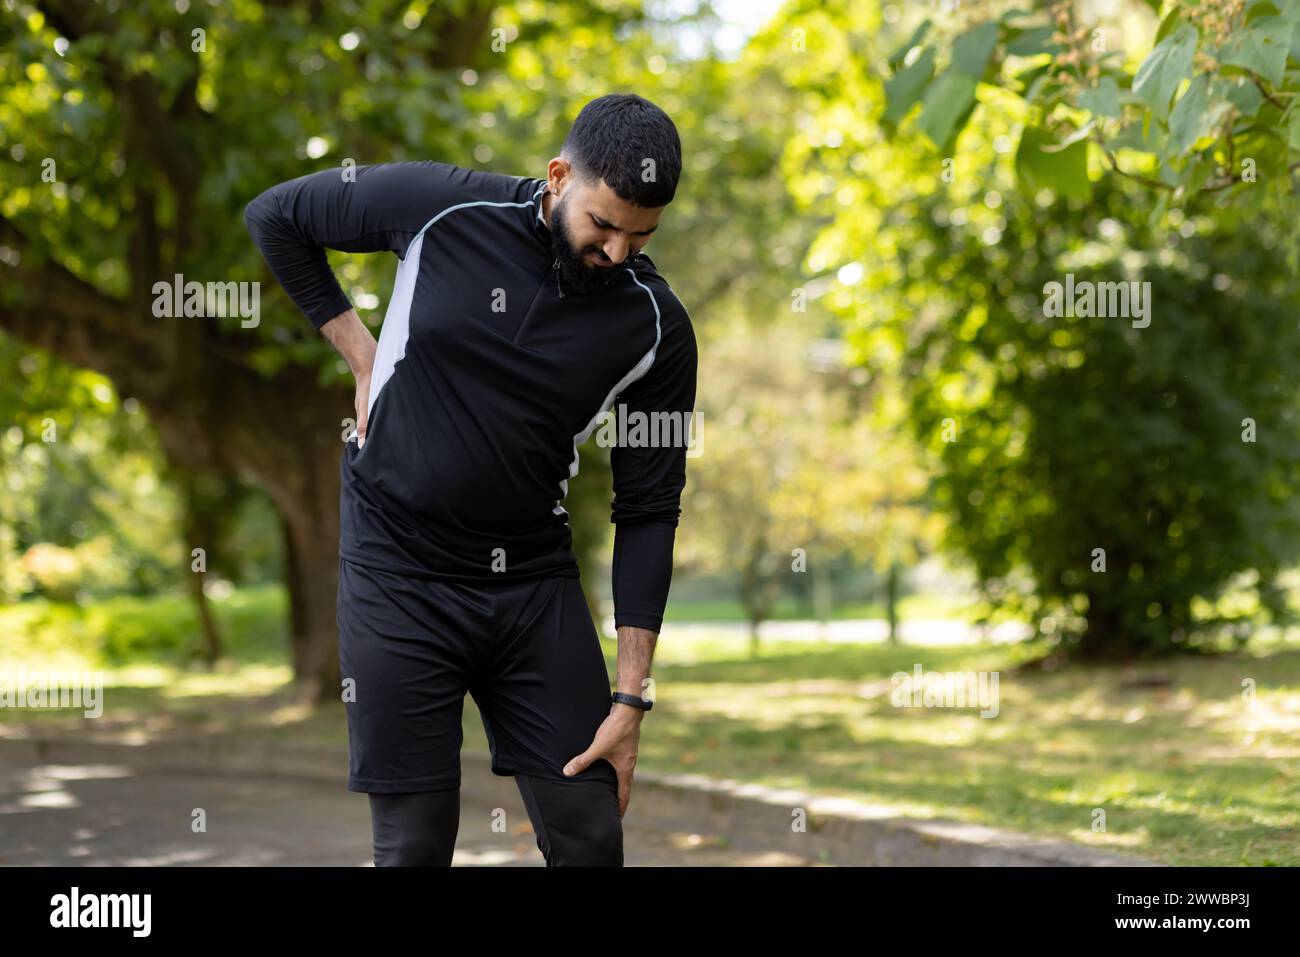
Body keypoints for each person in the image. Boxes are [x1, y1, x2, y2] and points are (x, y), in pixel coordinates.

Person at [244, 93, 697, 866]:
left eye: (641, 234)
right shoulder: (446, 208)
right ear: (559, 177)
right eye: (604, 225)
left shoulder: (654, 326)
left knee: (590, 832)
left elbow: (649, 509)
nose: (618, 252)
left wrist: (631, 695)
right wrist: (359, 352)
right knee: (414, 844)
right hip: (397, 569)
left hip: (529, 584)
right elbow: (278, 216)